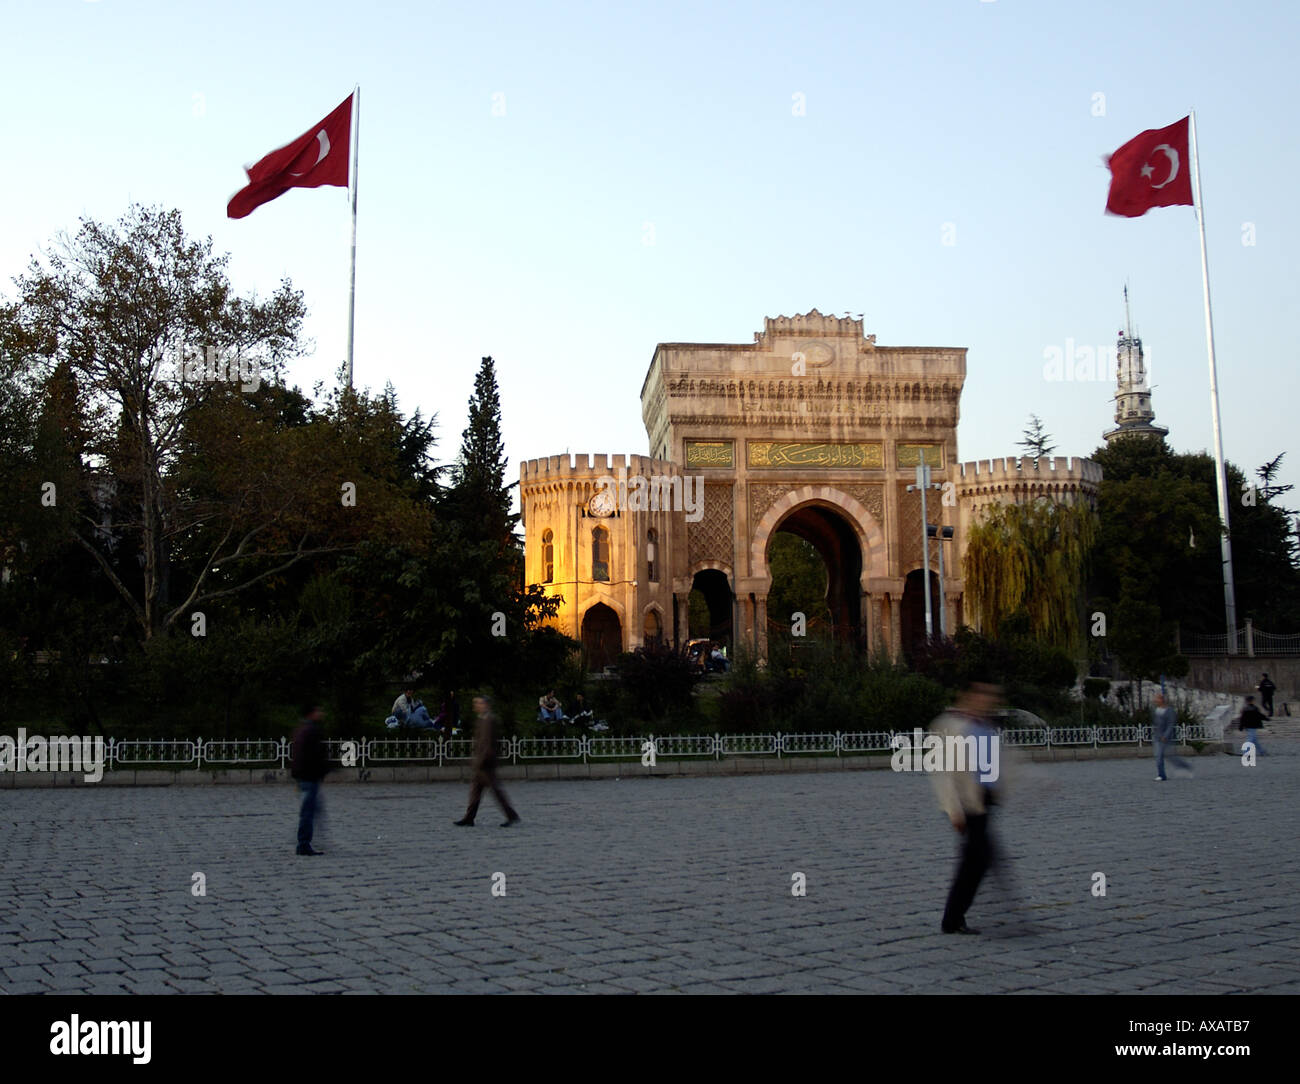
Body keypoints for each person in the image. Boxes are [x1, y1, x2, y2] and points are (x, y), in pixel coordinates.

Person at [930, 681, 1005, 935]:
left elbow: (998, 761)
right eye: (984, 698)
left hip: (983, 801)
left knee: (978, 859)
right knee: (977, 859)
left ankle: (954, 917)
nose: (988, 703)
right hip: (965, 803)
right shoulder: (950, 726)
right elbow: (942, 772)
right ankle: (952, 919)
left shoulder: (984, 726)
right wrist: (953, 810)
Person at [454, 696, 520, 828]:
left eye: (478, 703)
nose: (476, 706)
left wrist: (482, 759)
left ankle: (512, 815)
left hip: (486, 763)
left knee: (496, 791)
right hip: (481, 762)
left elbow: (489, 743)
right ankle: (469, 817)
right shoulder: (481, 719)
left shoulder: (490, 720)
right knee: (475, 792)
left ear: (486, 705)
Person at [290, 704, 329, 856]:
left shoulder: (301, 729)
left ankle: (306, 839)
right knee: (308, 812)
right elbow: (315, 754)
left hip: (303, 776)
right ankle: (303, 844)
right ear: (312, 713)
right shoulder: (311, 731)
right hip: (309, 776)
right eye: (318, 711)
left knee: (311, 810)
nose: (320, 713)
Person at [1151, 693, 1191, 781]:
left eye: (1157, 699)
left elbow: (1170, 724)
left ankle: (1186, 766)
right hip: (1157, 737)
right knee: (1158, 756)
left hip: (1166, 738)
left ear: (1161, 700)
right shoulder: (1155, 710)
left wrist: (1165, 735)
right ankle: (1161, 775)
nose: (1155, 701)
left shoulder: (1169, 711)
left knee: (1171, 756)